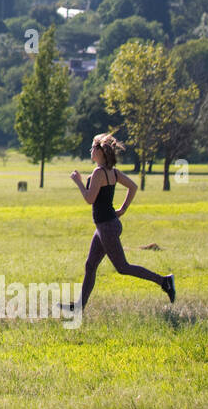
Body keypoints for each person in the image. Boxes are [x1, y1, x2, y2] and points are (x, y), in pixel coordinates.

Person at [64, 133, 174, 311]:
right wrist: (122, 209)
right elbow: (133, 186)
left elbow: (90, 199)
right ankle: (78, 307)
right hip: (106, 225)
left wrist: (78, 182)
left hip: (107, 226)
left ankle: (165, 281)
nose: (91, 150)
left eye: (93, 147)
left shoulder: (99, 172)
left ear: (100, 151)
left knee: (122, 267)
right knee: (90, 265)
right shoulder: (112, 172)